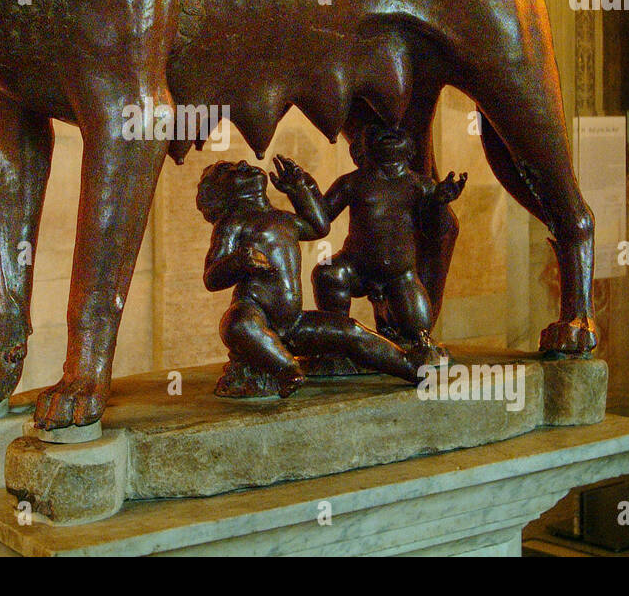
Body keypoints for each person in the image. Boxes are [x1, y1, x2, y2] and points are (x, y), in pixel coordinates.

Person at [197, 156, 420, 398]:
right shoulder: (232, 224)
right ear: (222, 195)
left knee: (351, 331)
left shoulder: (284, 219)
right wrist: (238, 261)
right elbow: (211, 277)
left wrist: (300, 188)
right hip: (256, 311)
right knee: (237, 324)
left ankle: (410, 367)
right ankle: (286, 369)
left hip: (294, 323)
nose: (241, 163)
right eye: (226, 171)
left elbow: (318, 226)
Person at [313, 123, 466, 360]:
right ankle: (337, 345)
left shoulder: (421, 185)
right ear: (364, 147)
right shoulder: (352, 183)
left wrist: (439, 203)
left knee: (418, 331)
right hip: (355, 267)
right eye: (379, 132)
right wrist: (303, 190)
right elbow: (320, 219)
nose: (390, 135)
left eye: (399, 133)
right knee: (327, 274)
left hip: (400, 274)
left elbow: (433, 233)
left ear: (411, 149)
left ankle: (414, 340)